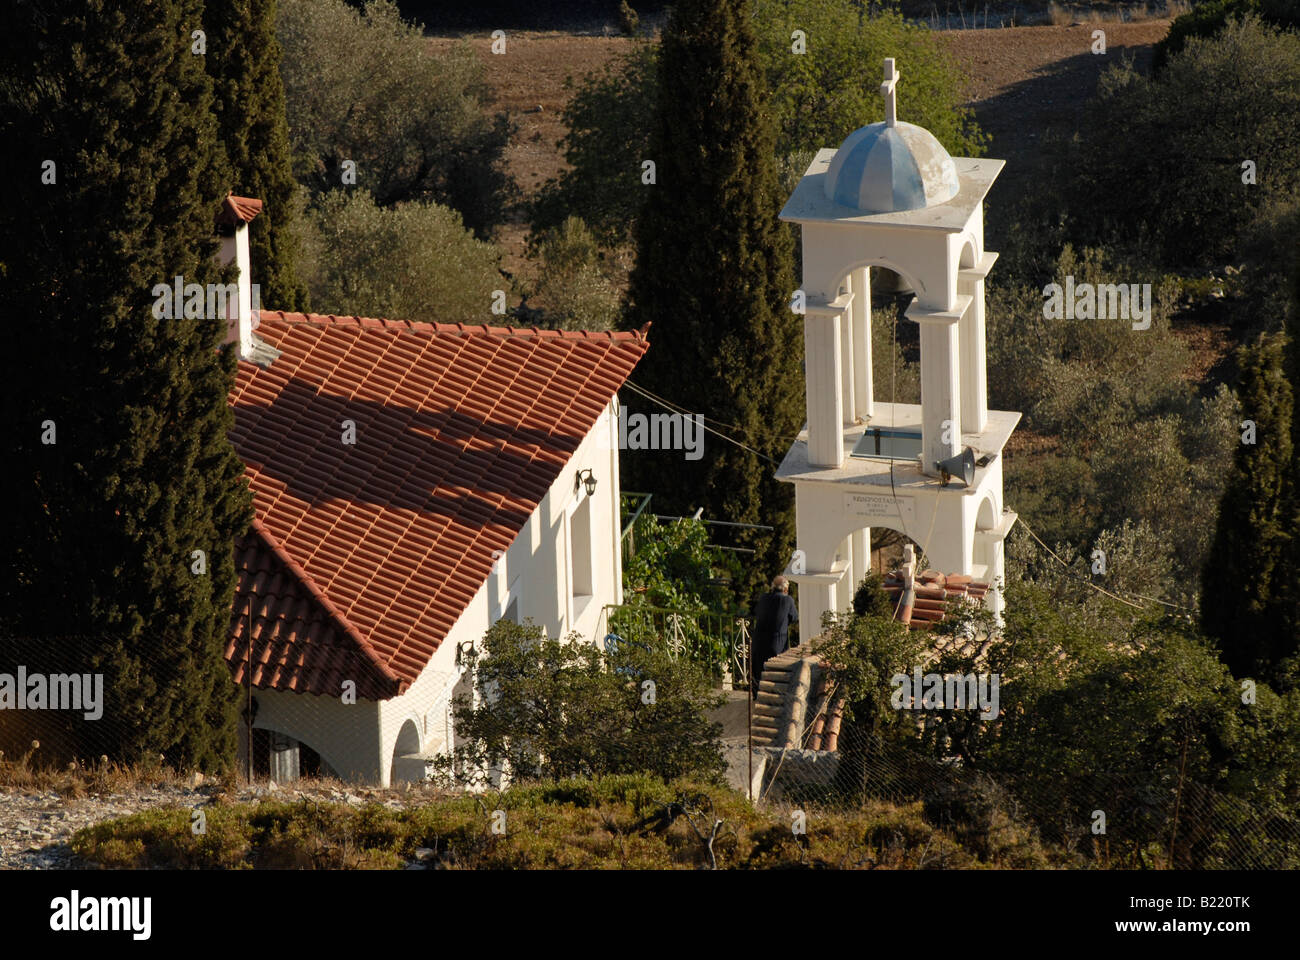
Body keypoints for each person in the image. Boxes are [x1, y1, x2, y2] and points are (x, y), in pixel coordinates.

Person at [750, 575, 799, 698]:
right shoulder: (787, 600)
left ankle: (757, 695)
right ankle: (772, 697)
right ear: (785, 589)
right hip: (776, 642)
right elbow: (794, 617)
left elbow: (757, 612)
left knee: (758, 670)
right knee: (775, 672)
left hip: (759, 640)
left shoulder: (763, 598)